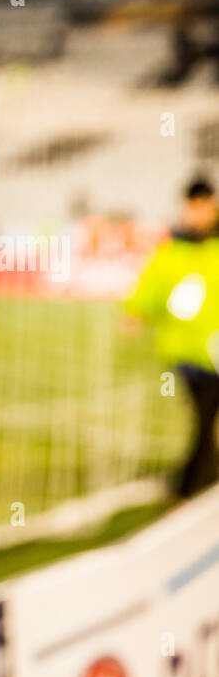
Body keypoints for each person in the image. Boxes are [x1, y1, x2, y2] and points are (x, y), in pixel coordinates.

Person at [126, 178, 219, 497]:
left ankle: (201, 479)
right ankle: (186, 487)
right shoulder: (170, 251)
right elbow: (148, 289)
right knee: (204, 419)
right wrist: (135, 313)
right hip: (187, 353)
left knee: (207, 422)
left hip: (215, 350)